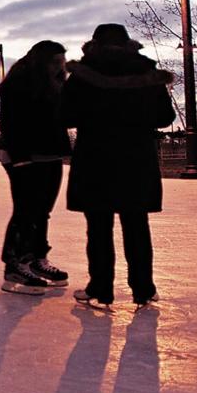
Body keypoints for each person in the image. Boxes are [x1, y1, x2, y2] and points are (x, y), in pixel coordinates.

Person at [58, 23, 176, 310]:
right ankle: (144, 290)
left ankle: (101, 289)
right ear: (128, 44)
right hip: (136, 158)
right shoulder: (147, 73)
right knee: (137, 225)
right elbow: (165, 117)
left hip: (95, 158)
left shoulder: (83, 75)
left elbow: (65, 115)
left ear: (94, 44)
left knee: (98, 227)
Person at [0, 39, 73, 296]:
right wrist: (19, 157)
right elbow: (11, 122)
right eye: (56, 61)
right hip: (24, 155)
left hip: (50, 153)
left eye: (62, 61)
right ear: (42, 61)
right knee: (25, 210)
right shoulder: (18, 82)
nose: (61, 66)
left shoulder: (57, 84)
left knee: (42, 211)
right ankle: (14, 265)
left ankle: (37, 258)